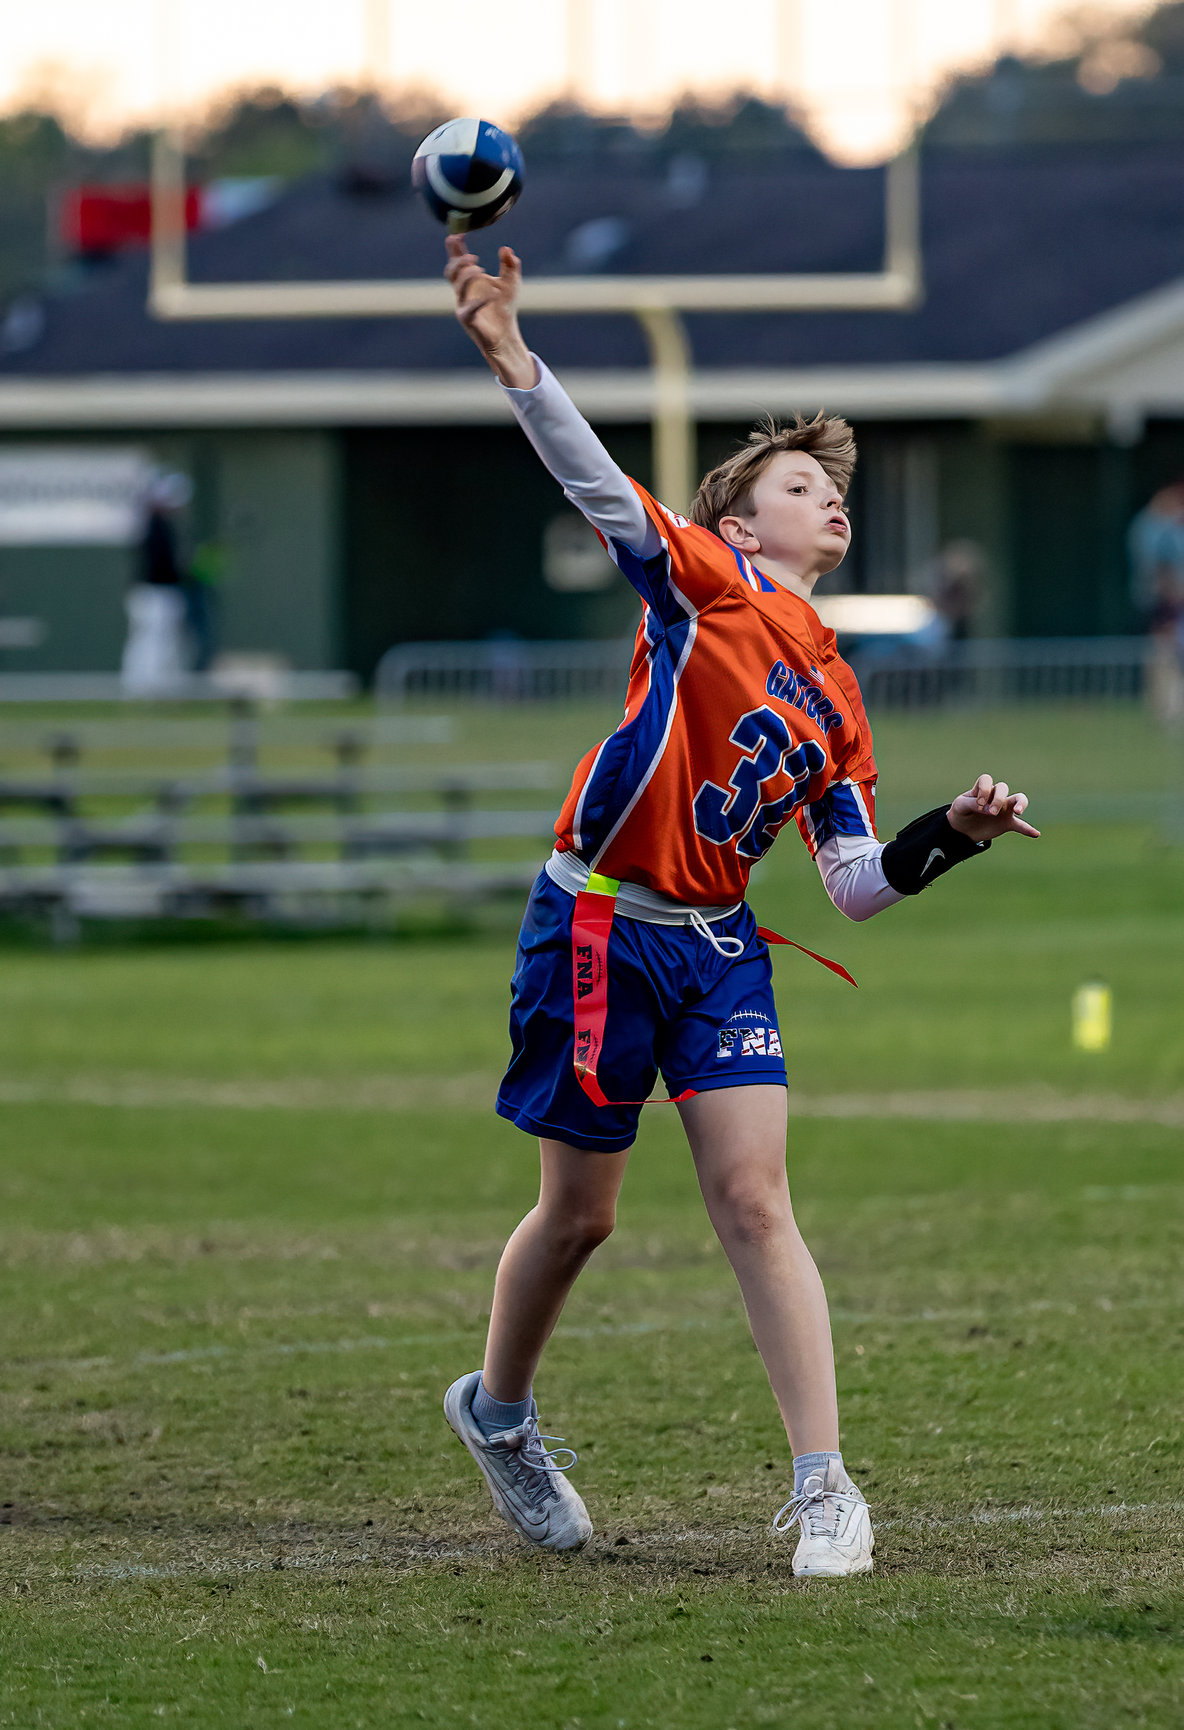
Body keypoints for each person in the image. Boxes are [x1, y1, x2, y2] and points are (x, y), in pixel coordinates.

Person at [440, 235, 1039, 1577]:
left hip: (715, 950)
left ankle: (825, 1488)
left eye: (834, 488)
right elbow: (598, 484)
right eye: (796, 484)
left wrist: (956, 831)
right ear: (739, 522)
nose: (828, 500)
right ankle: (500, 1410)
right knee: (582, 1216)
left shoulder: (837, 685)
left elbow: (851, 886)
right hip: (597, 923)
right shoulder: (702, 582)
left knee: (756, 1196)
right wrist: (512, 358)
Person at [120, 471, 192, 696]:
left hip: (160, 593)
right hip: (154, 593)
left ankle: (155, 687)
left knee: (160, 644)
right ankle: (146, 689)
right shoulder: (152, 525)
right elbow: (164, 564)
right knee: (150, 643)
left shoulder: (161, 525)